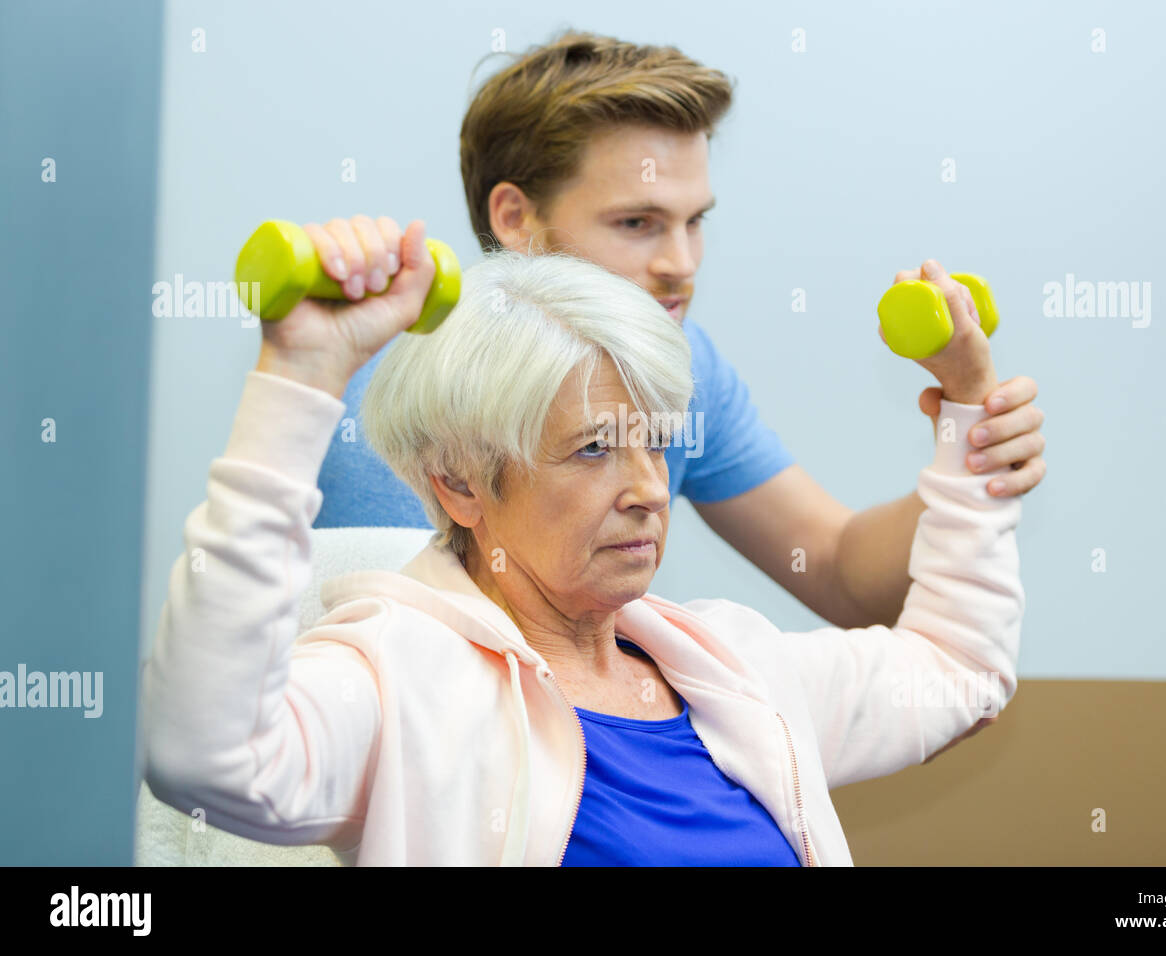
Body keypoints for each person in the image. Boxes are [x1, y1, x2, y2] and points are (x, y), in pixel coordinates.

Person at [140, 218, 1025, 865]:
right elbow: (207, 758)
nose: (649, 490)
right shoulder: (400, 681)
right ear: (460, 484)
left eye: (654, 443)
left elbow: (958, 669)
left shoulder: (737, 669)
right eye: (596, 449)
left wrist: (969, 412)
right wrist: (298, 377)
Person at [312, 31, 1046, 652]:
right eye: (638, 223)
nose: (682, 264)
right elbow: (416, 674)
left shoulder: (685, 366)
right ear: (514, 218)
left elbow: (839, 574)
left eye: (694, 222)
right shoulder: (417, 395)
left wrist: (971, 448)